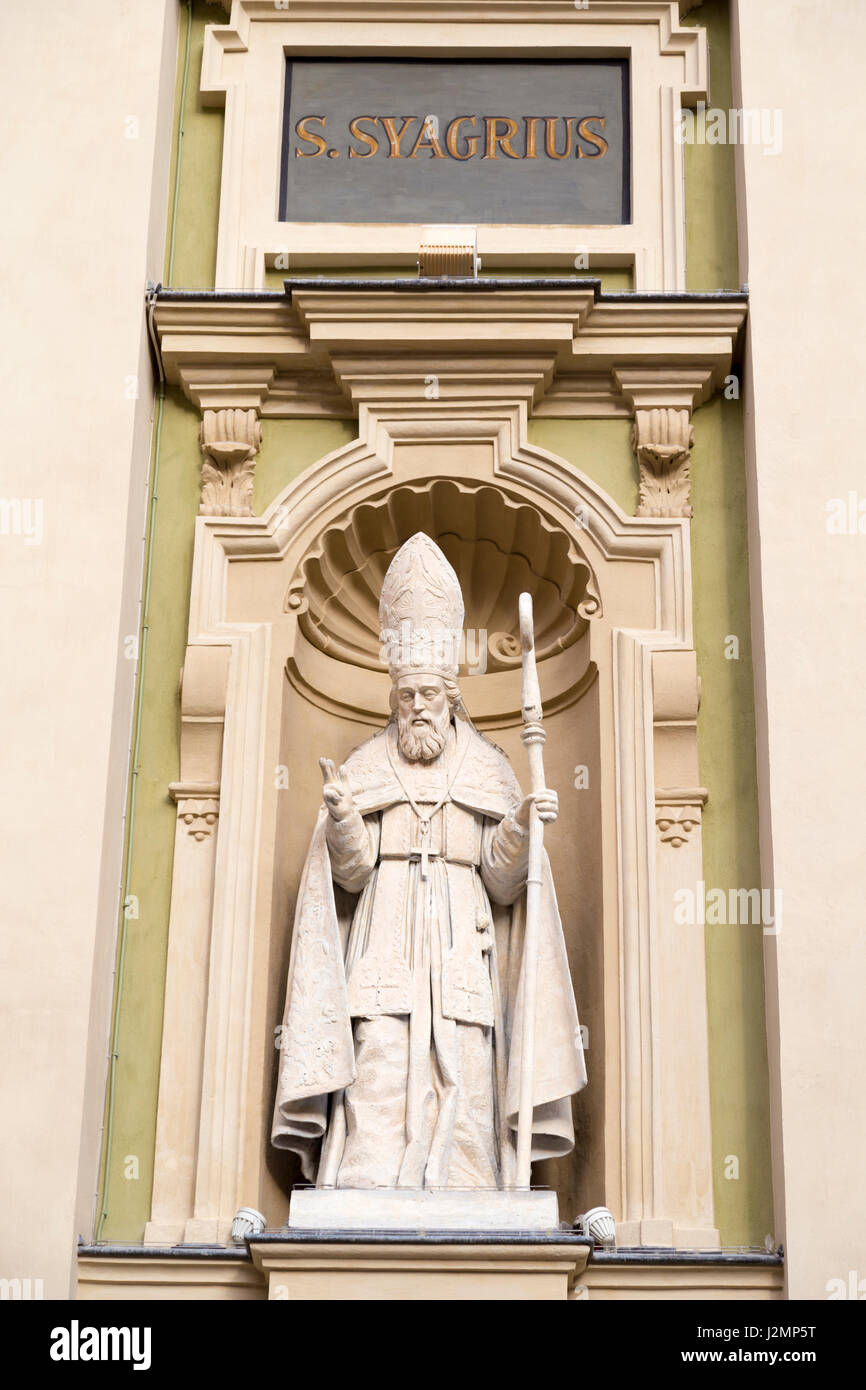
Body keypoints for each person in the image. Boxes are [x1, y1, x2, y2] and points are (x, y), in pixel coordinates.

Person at [272, 532, 586, 1189]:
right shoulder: (365, 767)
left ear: (451, 697)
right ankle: (366, 1179)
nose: (417, 707)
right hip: (384, 943)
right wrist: (340, 821)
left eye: (429, 696)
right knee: (380, 1058)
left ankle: (468, 1183)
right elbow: (350, 876)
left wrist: (524, 824)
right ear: (394, 695)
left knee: (465, 1065)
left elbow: (504, 883)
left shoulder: (490, 770)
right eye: (407, 695)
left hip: (461, 954)